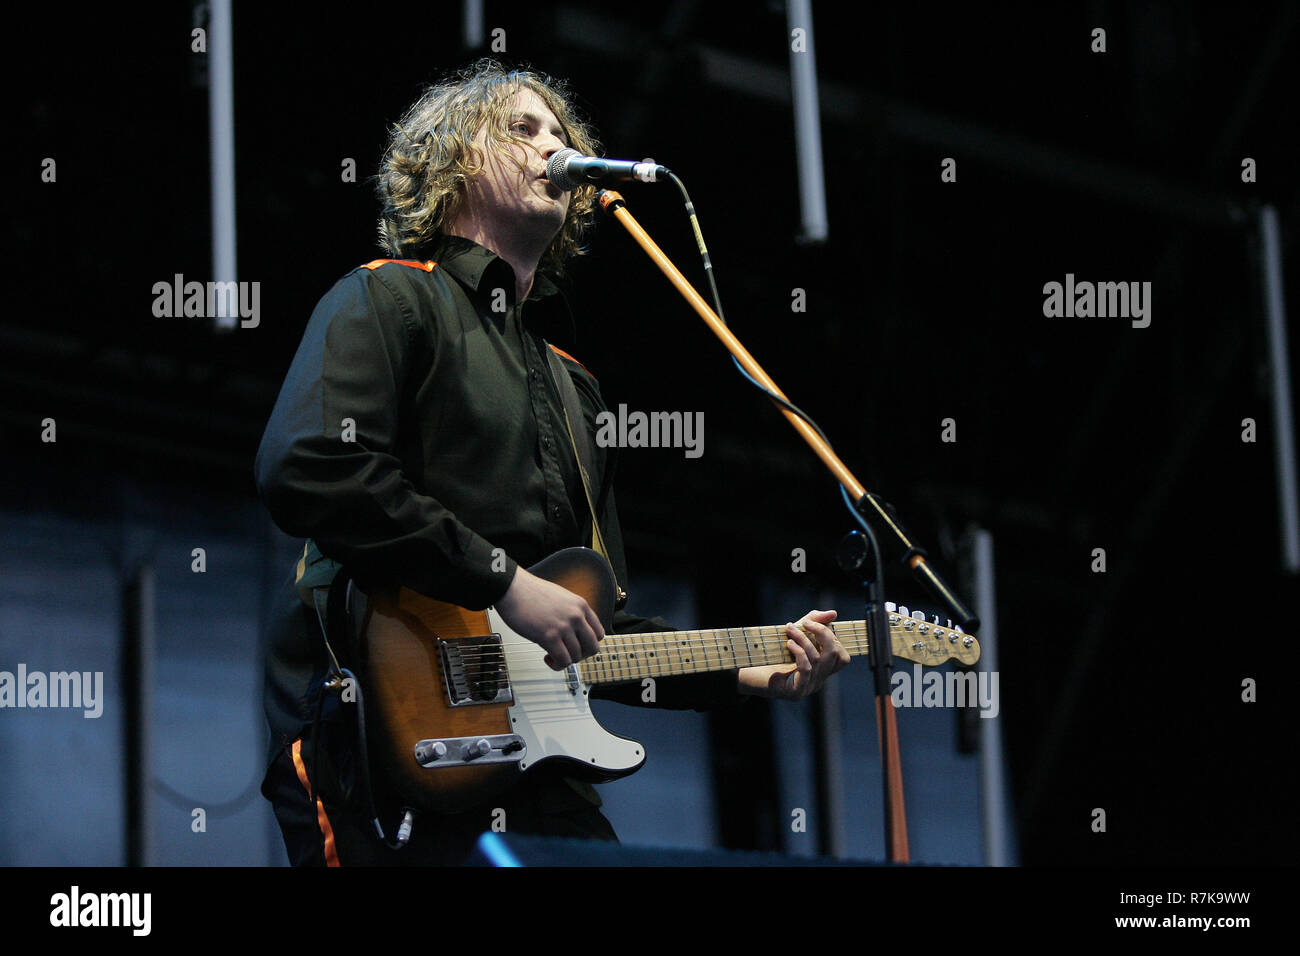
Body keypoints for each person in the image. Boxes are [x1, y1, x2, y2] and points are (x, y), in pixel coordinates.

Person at [253, 59, 848, 866]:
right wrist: (504, 580)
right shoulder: (389, 298)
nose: (554, 146)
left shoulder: (577, 386)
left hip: (543, 779)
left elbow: (591, 624)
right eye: (522, 129)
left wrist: (752, 672)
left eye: (561, 133)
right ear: (454, 161)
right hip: (381, 739)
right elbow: (314, 465)